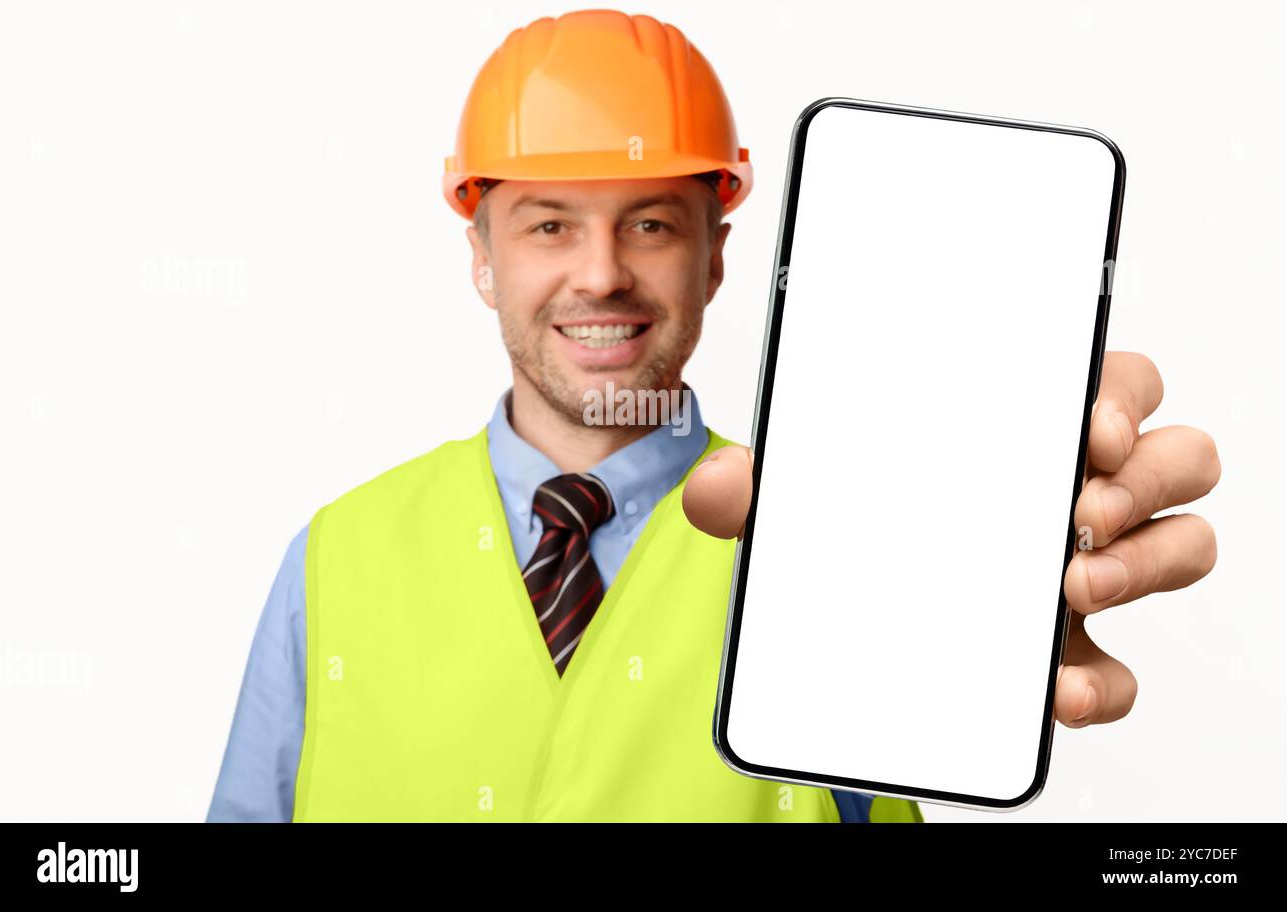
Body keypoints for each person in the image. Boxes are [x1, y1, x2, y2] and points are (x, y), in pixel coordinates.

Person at [206, 9, 1219, 823]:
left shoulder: (841, 533)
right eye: (548, 224)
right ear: (481, 255)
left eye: (650, 223)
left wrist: (979, 626)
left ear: (717, 257)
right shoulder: (335, 559)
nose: (599, 273)